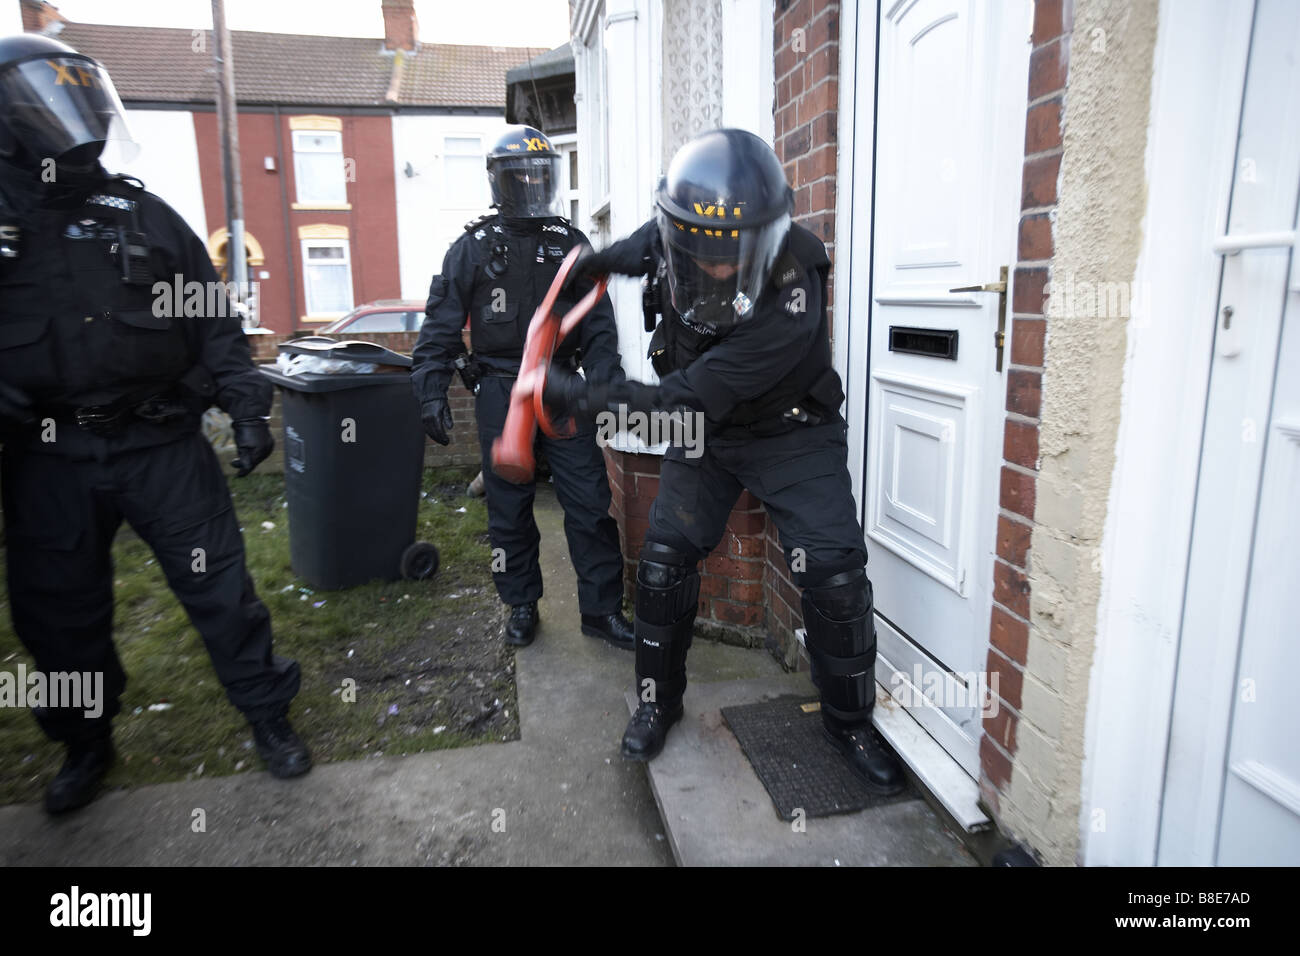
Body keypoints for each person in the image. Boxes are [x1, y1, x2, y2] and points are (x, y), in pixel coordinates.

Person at [544, 128, 905, 794]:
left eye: (731, 255)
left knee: (833, 574)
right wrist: (593, 264)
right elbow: (643, 249)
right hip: (708, 437)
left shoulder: (795, 290)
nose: (713, 268)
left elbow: (680, 400)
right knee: (662, 565)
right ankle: (658, 701)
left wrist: (582, 396)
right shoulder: (683, 235)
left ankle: (849, 722)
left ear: (768, 235)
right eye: (698, 251)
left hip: (789, 432)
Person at [0, 34, 309, 814]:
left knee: (221, 589)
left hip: (160, 443)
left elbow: (216, 330)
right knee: (58, 612)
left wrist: (246, 410)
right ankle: (84, 743)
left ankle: (267, 715)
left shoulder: (144, 217)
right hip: (48, 458)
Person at [411, 125, 634, 650]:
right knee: (508, 509)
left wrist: (605, 385)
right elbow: (440, 325)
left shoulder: (569, 245)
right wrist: (429, 388)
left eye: (540, 175)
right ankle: (520, 605)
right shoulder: (472, 248)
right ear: (499, 182)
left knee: (590, 503)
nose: (531, 185)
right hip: (500, 392)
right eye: (520, 177)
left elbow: (599, 325)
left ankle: (601, 611)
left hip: (561, 389)